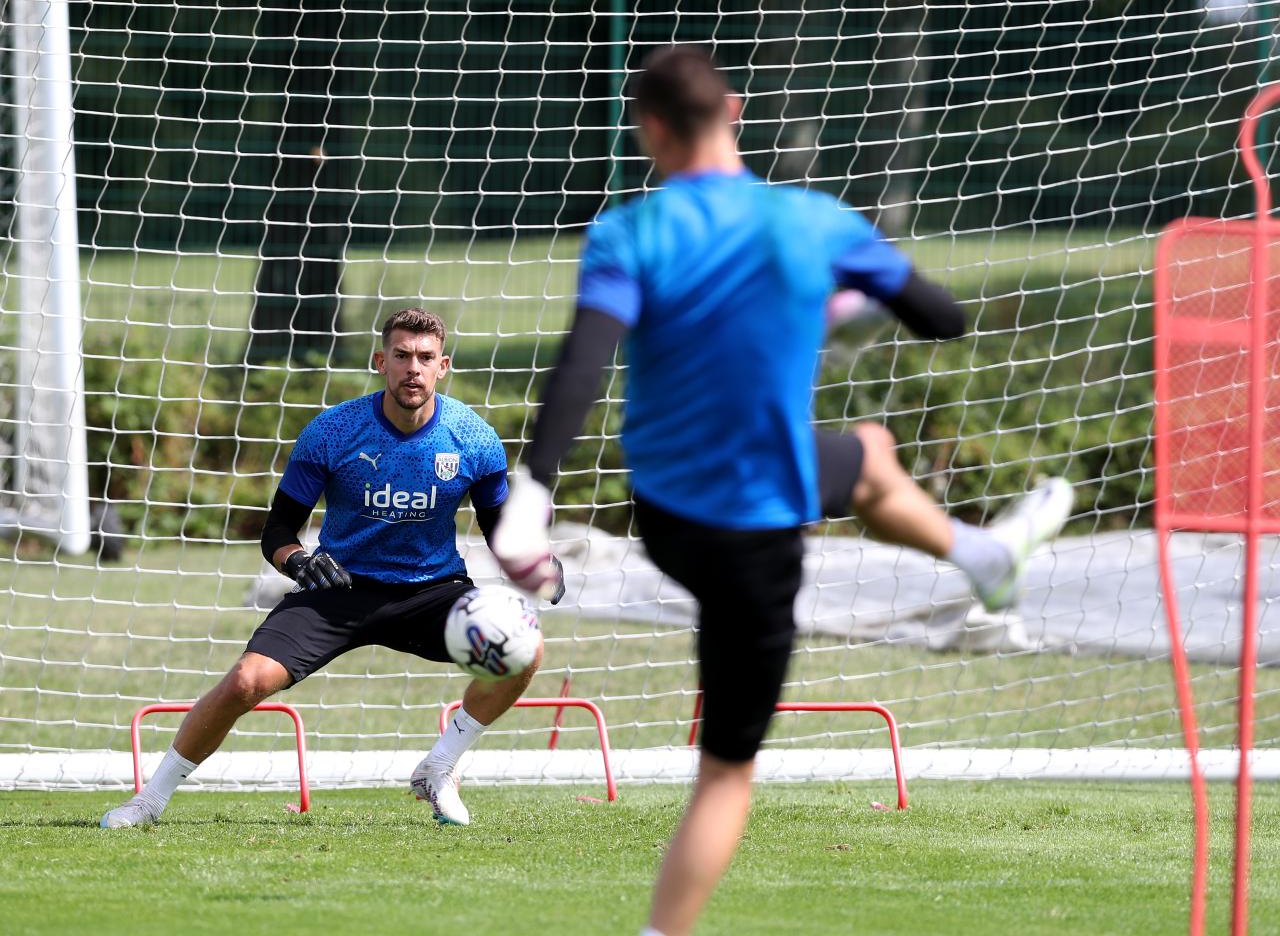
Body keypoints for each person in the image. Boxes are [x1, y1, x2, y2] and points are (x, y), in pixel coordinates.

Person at [491, 46, 1070, 936]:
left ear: (649, 130)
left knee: (868, 454)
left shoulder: (628, 231)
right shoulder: (814, 221)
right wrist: (856, 297)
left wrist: (533, 491)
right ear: (734, 107)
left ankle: (984, 557)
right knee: (725, 770)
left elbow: (582, 366)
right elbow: (944, 319)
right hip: (757, 535)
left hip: (670, 516)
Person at [101, 308, 562, 829]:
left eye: (425, 358)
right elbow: (277, 531)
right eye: (402, 356)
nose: (414, 368)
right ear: (380, 362)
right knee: (246, 681)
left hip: (433, 590)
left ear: (443, 366)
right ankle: (148, 801)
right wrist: (299, 563)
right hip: (339, 587)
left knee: (527, 649)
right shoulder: (333, 431)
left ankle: (440, 766)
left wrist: (538, 561)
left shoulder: (473, 439)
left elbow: (503, 533)